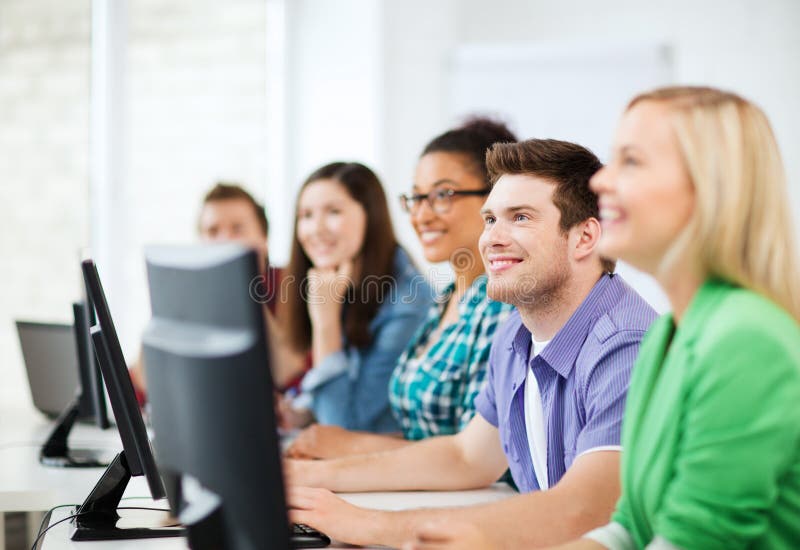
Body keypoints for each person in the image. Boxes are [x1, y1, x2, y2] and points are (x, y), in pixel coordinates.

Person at [286, 139, 658, 548]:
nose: (493, 239)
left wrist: (369, 525)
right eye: (490, 220)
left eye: (520, 217)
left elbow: (583, 510)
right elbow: (466, 457)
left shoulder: (626, 347)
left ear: (584, 237)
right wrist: (309, 478)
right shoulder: (516, 333)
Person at [549, 87, 800, 549]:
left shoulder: (747, 339)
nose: (601, 182)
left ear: (712, 186)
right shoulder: (668, 331)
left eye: (632, 161)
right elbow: (630, 526)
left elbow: (693, 539)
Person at [286, 118, 517, 459]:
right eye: (416, 197)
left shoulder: (497, 305)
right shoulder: (446, 301)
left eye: (442, 195)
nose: (421, 215)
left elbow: (472, 458)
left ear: (496, 198)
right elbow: (416, 434)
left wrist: (325, 322)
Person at [276, 161, 432, 433]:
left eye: (333, 212)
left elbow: (344, 426)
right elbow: (338, 394)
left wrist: (326, 322)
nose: (316, 229)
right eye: (306, 215)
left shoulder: (409, 304)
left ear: (370, 216)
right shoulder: (343, 279)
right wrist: (300, 413)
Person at [129, 182, 278, 400]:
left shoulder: (291, 288)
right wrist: (166, 310)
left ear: (263, 239)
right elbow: (139, 389)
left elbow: (296, 378)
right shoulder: (195, 296)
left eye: (237, 229)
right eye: (212, 231)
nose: (224, 240)